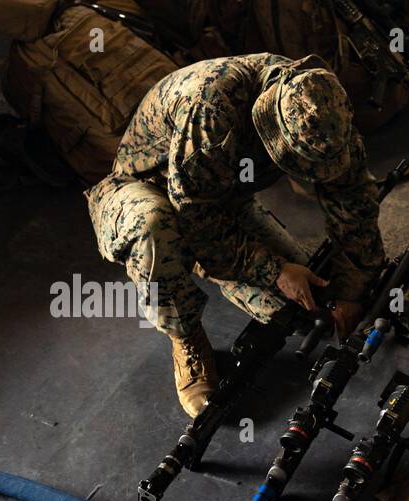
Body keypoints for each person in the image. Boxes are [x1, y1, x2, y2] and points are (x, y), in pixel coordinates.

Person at [86, 54, 385, 416]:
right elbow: (196, 217)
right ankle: (185, 336)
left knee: (302, 308)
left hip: (220, 197)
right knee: (155, 226)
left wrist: (352, 289)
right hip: (145, 193)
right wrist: (274, 269)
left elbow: (353, 199)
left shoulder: (321, 105)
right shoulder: (210, 105)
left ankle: (208, 260)